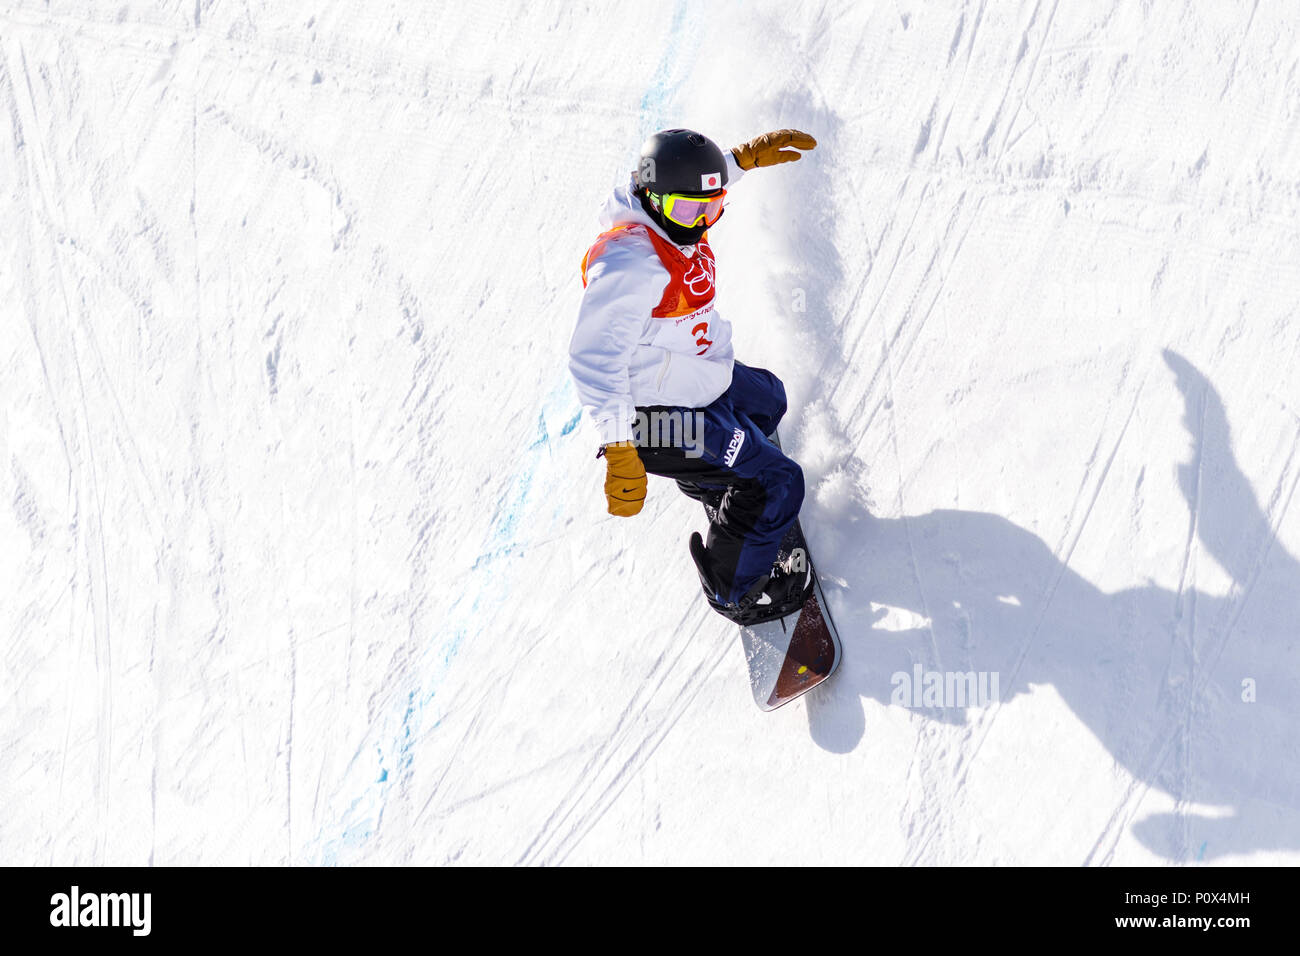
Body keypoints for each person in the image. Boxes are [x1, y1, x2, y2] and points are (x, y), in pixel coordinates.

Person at [569, 127, 818, 620]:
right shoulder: (630, 264)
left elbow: (693, 188)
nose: (701, 222)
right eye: (688, 211)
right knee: (779, 483)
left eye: (713, 208)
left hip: (694, 377)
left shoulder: (667, 208)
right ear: (653, 198)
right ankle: (734, 590)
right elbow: (592, 360)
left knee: (770, 401)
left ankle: (716, 481)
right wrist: (620, 447)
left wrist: (739, 163)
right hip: (650, 418)